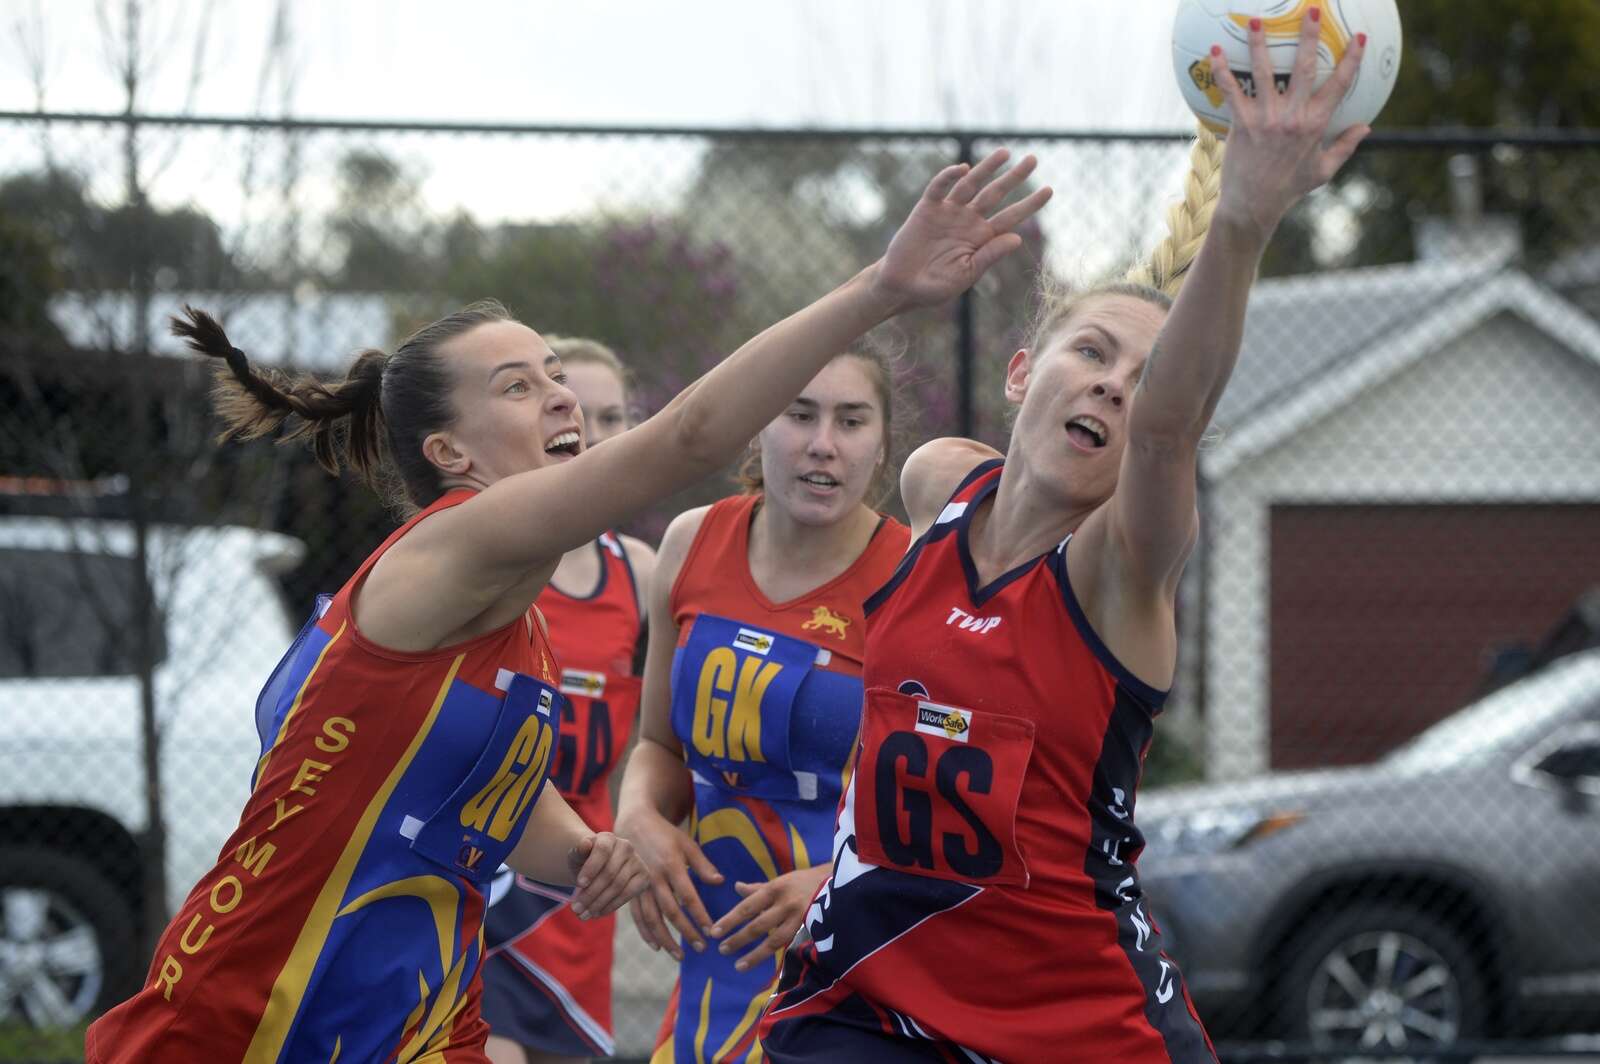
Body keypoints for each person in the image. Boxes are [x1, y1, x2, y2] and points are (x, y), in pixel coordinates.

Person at [82, 146, 1050, 1064]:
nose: (560, 399)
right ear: (450, 455)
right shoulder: (454, 544)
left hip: (419, 1016)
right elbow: (687, 437)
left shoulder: (514, 615)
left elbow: (491, 792)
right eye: (518, 386)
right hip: (256, 1009)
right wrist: (878, 290)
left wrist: (592, 849)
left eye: (556, 375)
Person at [760, 14, 1369, 1063]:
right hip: (869, 996)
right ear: (1019, 370)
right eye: (1089, 350)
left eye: (1138, 378)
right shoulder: (937, 482)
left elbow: (1172, 420)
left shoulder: (1117, 574)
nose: (1111, 382)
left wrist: (1240, 224)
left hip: (1075, 1024)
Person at [615, 340, 911, 1064]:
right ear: (757, 426)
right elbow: (659, 743)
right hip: (716, 966)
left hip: (846, 972)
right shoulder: (692, 542)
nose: (822, 445)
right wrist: (639, 817)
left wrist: (830, 885)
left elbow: (926, 818)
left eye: (850, 421)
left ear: (882, 448)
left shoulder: (914, 576)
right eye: (798, 414)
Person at [481, 337, 656, 1064]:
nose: (593, 435)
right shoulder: (491, 557)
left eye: (614, 417)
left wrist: (652, 826)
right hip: (490, 870)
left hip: (583, 876)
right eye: (578, 414)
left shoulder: (643, 573)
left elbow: (658, 742)